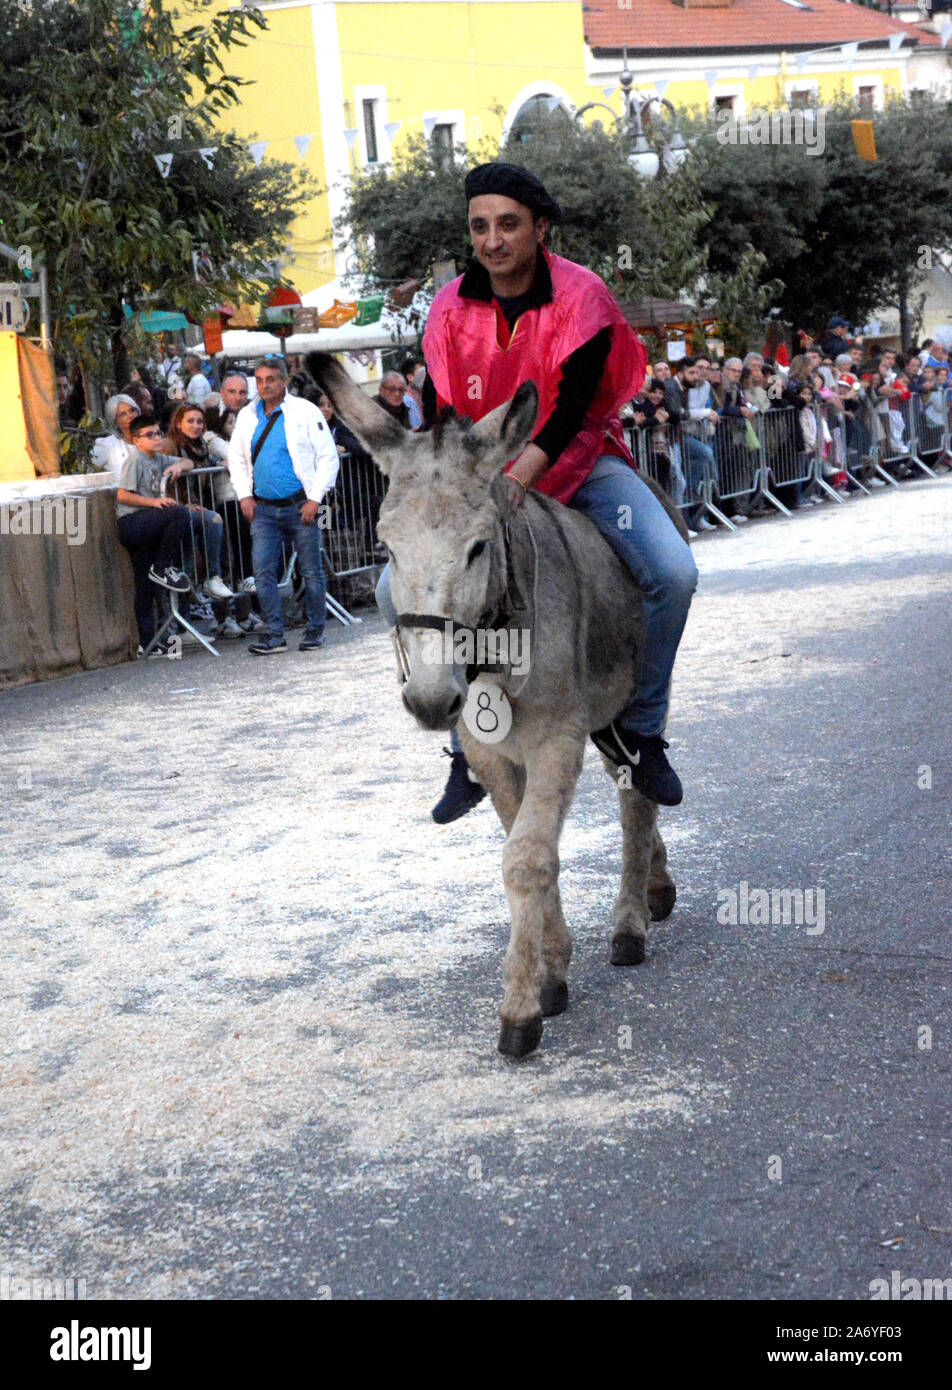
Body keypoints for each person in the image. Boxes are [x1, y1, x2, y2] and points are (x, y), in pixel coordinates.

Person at [383, 161, 697, 816]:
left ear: (540, 227)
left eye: (507, 224)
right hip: (479, 478)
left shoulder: (581, 295)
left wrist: (516, 482)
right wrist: (452, 488)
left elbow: (575, 407)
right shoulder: (449, 306)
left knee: (673, 572)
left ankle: (640, 730)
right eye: (480, 227)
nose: (493, 240)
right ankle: (467, 745)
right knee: (394, 591)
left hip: (579, 460)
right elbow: (442, 410)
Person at [228, 354, 340, 654]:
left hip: (300, 505)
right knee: (263, 571)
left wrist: (315, 499)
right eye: (260, 380)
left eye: (271, 379)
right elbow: (236, 459)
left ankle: (315, 630)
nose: (264, 385)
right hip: (263, 508)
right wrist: (244, 495)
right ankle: (274, 634)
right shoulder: (247, 416)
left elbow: (328, 457)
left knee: (311, 570)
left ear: (284, 381)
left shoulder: (305, 411)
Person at [92, 394, 139, 479]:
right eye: (123, 414)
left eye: (132, 410)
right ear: (115, 421)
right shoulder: (107, 445)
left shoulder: (150, 437)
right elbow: (89, 470)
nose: (130, 416)